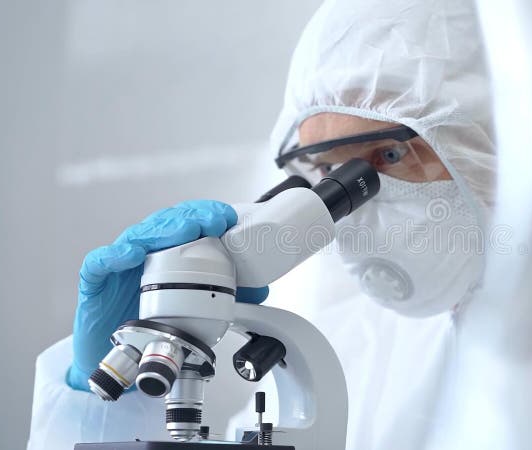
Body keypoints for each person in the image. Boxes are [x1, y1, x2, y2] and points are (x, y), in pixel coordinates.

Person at [27, 0, 496, 449]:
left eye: (390, 154)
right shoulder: (349, 351)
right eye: (328, 172)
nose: (354, 200)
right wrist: (100, 407)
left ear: (496, 136)